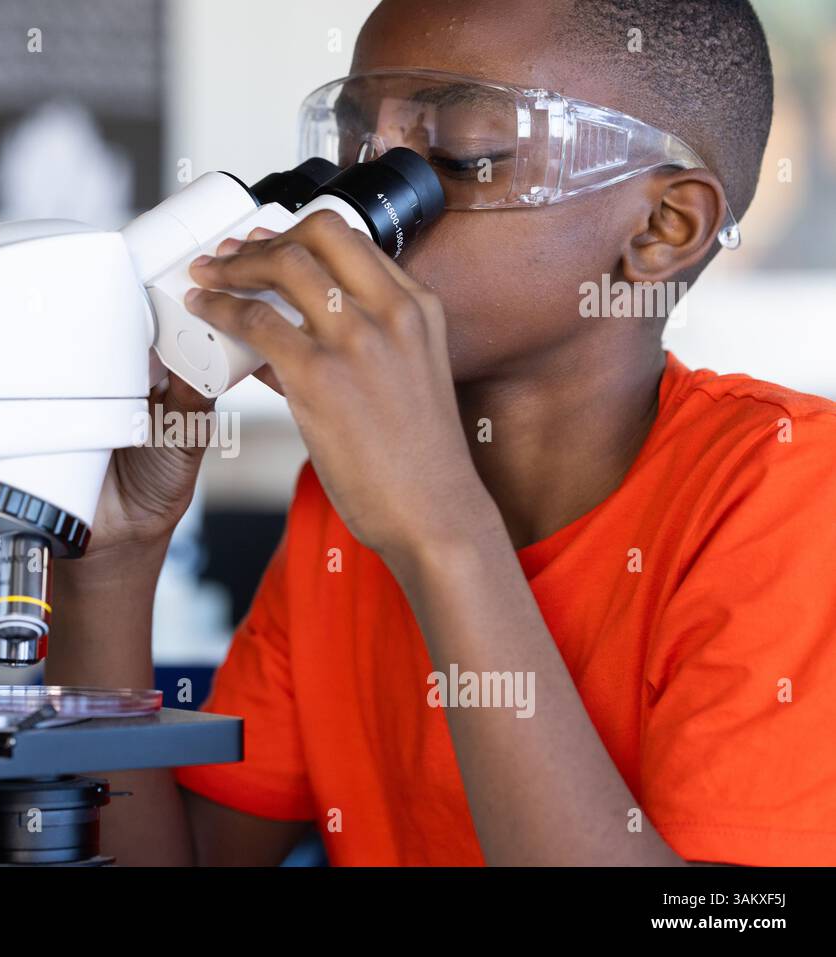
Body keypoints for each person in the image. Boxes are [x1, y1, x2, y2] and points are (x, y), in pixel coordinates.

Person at [46, 0, 836, 865]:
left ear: (661, 227)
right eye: (356, 152)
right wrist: (107, 570)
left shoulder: (791, 495)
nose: (352, 208)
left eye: (462, 158)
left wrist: (440, 532)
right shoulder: (344, 508)